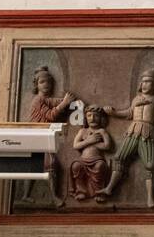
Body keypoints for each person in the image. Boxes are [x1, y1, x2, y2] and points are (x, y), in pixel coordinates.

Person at [100, 69, 154, 208]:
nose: (145, 84)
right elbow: (129, 113)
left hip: (148, 132)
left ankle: (150, 198)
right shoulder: (136, 99)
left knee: (150, 165)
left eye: (148, 82)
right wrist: (114, 113)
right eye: (143, 82)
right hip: (133, 130)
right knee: (120, 158)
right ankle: (109, 188)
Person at [20, 66, 76, 206]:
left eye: (49, 82)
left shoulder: (45, 100)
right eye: (42, 82)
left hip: (41, 137)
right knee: (49, 164)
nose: (46, 85)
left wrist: (65, 101)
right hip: (37, 137)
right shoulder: (37, 101)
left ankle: (27, 195)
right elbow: (50, 115)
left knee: (36, 166)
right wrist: (64, 103)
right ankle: (54, 197)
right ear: (36, 84)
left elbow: (54, 102)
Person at [70, 105, 113, 201]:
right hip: (83, 159)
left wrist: (93, 142)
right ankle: (81, 191)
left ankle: (98, 192)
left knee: (100, 166)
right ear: (85, 118)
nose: (92, 118)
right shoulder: (82, 131)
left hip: (97, 159)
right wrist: (88, 141)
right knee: (76, 166)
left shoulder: (102, 131)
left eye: (96, 116)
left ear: (101, 119)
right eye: (89, 116)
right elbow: (75, 145)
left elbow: (107, 146)